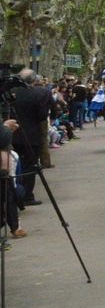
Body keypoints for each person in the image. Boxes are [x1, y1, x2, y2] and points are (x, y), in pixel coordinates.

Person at [11, 68, 51, 206]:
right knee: (30, 166)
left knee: (14, 165)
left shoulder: (11, 93)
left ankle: (17, 194)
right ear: (34, 80)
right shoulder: (40, 93)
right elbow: (42, 115)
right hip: (32, 135)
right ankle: (27, 196)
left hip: (12, 133)